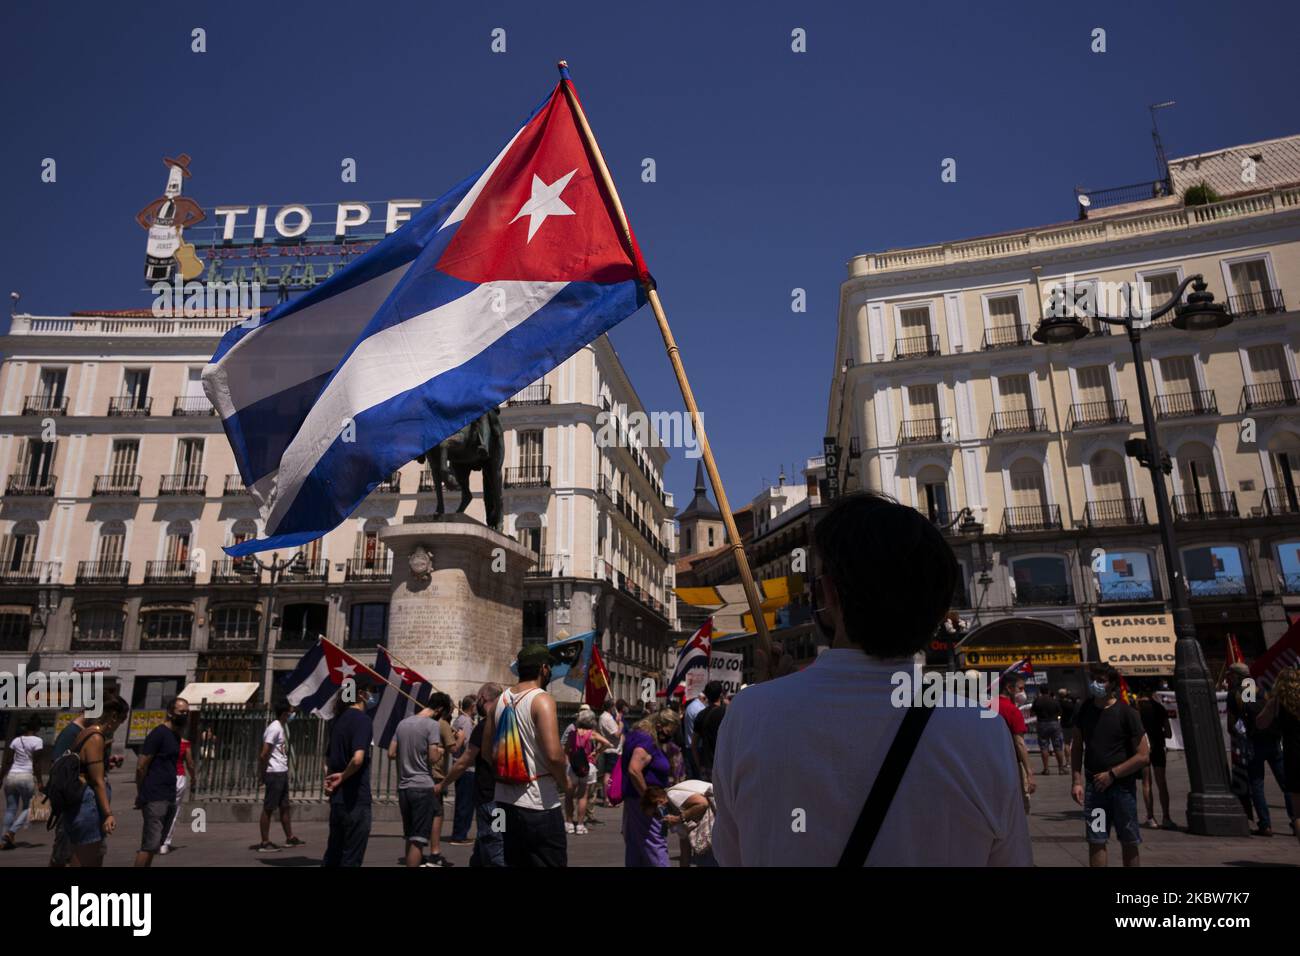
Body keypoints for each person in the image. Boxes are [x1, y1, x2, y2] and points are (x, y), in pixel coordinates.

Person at [712, 492, 1031, 866]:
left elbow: (733, 855)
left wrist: (772, 699)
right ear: (940, 609)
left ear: (829, 593)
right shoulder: (983, 732)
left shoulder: (749, 714)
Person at [482, 645, 569, 867]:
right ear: (543, 669)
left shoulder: (499, 701)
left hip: (504, 803)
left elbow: (485, 752)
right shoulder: (542, 699)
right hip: (539, 804)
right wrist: (566, 783)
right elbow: (554, 755)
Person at [1071, 665, 1150, 867]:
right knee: (1096, 839)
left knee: (1129, 839)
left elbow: (1143, 756)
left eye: (1102, 680)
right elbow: (1077, 746)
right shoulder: (1084, 710)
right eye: (1094, 679)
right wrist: (1076, 781)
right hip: (1095, 789)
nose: (1096, 684)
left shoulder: (1127, 713)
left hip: (1122, 788)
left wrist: (1113, 774)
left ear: (1113, 684)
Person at [1228, 662, 1296, 836]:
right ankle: (1295, 818)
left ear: (1236, 675)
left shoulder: (1246, 686)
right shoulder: (1259, 685)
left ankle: (1265, 824)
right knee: (1286, 783)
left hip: (1257, 741)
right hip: (1272, 740)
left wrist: (1239, 730)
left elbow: (1250, 710)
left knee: (1257, 784)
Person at [440, 683, 504, 866]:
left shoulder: (484, 726)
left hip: (489, 798)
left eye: (478, 699)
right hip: (505, 797)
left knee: (495, 844)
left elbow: (463, 761)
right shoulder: (510, 722)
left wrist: (442, 784)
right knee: (486, 844)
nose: (476, 704)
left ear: (484, 698)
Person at [63, 695, 130, 867]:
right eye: (122, 720)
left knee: (91, 855)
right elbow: (98, 780)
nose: (119, 725)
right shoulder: (95, 737)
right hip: (89, 804)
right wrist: (108, 813)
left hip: (83, 801)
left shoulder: (86, 732)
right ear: (113, 716)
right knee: (84, 855)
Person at [391, 694, 452, 868]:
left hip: (404, 787)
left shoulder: (403, 723)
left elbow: (390, 753)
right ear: (439, 709)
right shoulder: (432, 725)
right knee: (418, 839)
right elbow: (433, 758)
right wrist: (439, 751)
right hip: (423, 786)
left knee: (410, 836)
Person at [323, 683, 376, 867]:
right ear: (360, 694)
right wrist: (343, 777)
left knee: (333, 854)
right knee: (351, 856)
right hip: (355, 798)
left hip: (337, 799)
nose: (372, 696)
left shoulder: (336, 720)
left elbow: (328, 759)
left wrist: (330, 781)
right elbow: (358, 759)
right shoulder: (363, 720)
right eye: (371, 691)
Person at [621, 708, 681, 866]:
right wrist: (649, 798)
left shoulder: (640, 736)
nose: (670, 736)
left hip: (636, 799)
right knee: (655, 841)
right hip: (645, 801)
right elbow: (634, 769)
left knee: (636, 844)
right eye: (670, 731)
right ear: (660, 726)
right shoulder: (646, 740)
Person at [134, 697, 188, 867]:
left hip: (169, 793)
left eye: (187, 712)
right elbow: (141, 766)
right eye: (181, 712)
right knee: (149, 844)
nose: (184, 715)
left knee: (155, 844)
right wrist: (141, 792)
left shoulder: (176, 736)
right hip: (155, 794)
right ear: (170, 712)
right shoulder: (158, 734)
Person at [1256, 666, 1300, 844]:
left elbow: (1260, 723)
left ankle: (1265, 823)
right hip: (1279, 750)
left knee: (1298, 813)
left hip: (1293, 755)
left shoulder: (1276, 701)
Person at [252, 706, 303, 852]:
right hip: (274, 773)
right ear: (284, 713)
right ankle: (265, 842)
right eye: (291, 712)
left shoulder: (282, 727)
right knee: (269, 808)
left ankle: (290, 837)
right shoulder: (274, 728)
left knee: (285, 806)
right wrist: (262, 775)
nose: (292, 714)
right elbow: (264, 753)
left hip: (282, 772)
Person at [642, 779, 716, 867]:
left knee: (704, 857)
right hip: (718, 824)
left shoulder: (672, 796)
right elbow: (685, 847)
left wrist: (678, 819)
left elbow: (702, 803)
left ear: (659, 802)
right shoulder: (675, 810)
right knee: (701, 853)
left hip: (719, 818)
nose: (658, 819)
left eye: (655, 814)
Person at [1134, 681, 1177, 831]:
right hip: (1158, 747)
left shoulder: (1136, 709)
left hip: (1143, 749)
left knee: (1146, 784)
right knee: (1162, 783)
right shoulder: (1159, 708)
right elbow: (1169, 733)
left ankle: (1150, 818)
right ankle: (1166, 817)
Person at [564, 709, 611, 835]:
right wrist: (597, 752)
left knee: (569, 795)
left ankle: (568, 823)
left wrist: (569, 760)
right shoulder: (592, 734)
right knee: (582, 796)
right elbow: (607, 743)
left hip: (573, 766)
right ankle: (579, 825)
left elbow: (566, 749)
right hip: (587, 766)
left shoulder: (572, 733)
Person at [2, 717, 45, 850]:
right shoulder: (38, 741)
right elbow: (36, 763)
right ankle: (11, 832)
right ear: (37, 728)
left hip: (11, 776)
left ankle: (2, 839)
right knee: (29, 808)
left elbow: (8, 761)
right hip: (26, 777)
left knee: (10, 809)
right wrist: (40, 782)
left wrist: (0, 778)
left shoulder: (16, 740)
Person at [997, 674, 1036, 812]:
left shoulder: (986, 705)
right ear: (1009, 688)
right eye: (1020, 688)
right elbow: (1019, 743)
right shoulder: (1013, 711)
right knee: (1019, 809)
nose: (1022, 692)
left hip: (990, 764)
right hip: (1011, 764)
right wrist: (1029, 773)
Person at [159, 726, 195, 854]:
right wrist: (194, 778)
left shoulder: (162, 741)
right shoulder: (185, 743)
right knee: (173, 811)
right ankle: (165, 842)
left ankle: (155, 838)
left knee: (159, 808)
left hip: (163, 775)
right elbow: (190, 763)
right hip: (179, 776)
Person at [447, 695, 477, 846]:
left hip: (460, 766)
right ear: (472, 707)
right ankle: (459, 835)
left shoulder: (459, 720)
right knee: (465, 803)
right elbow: (468, 743)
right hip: (467, 768)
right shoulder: (466, 721)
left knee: (463, 801)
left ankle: (459, 833)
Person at [692, 681, 727, 781]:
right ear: (721, 695)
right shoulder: (726, 713)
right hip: (723, 766)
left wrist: (700, 766)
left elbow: (694, 745)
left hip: (706, 766)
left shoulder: (700, 715)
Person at [1031, 688, 1066, 775]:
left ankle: (1046, 769)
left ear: (1040, 692)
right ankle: (1061, 769)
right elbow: (1060, 712)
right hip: (1054, 723)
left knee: (1044, 747)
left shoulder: (1037, 701)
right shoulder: (1054, 701)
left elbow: (1032, 713)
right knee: (1058, 747)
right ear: (1049, 691)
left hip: (1042, 724)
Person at [596, 698, 624, 806]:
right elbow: (616, 734)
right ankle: (607, 798)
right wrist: (620, 725)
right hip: (611, 749)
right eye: (614, 707)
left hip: (614, 749)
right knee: (609, 775)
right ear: (611, 707)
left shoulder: (607, 717)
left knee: (612, 775)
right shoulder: (606, 718)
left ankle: (610, 797)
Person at [683, 691, 706, 779]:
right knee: (698, 778)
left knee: (692, 776)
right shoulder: (699, 708)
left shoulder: (690, 706)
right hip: (696, 748)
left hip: (690, 746)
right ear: (703, 698)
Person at [1058, 688, 1077, 765]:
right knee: (1076, 743)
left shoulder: (1060, 703)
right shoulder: (1071, 702)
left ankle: (1068, 762)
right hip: (1073, 724)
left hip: (1065, 724)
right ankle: (1076, 760)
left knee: (1067, 743)